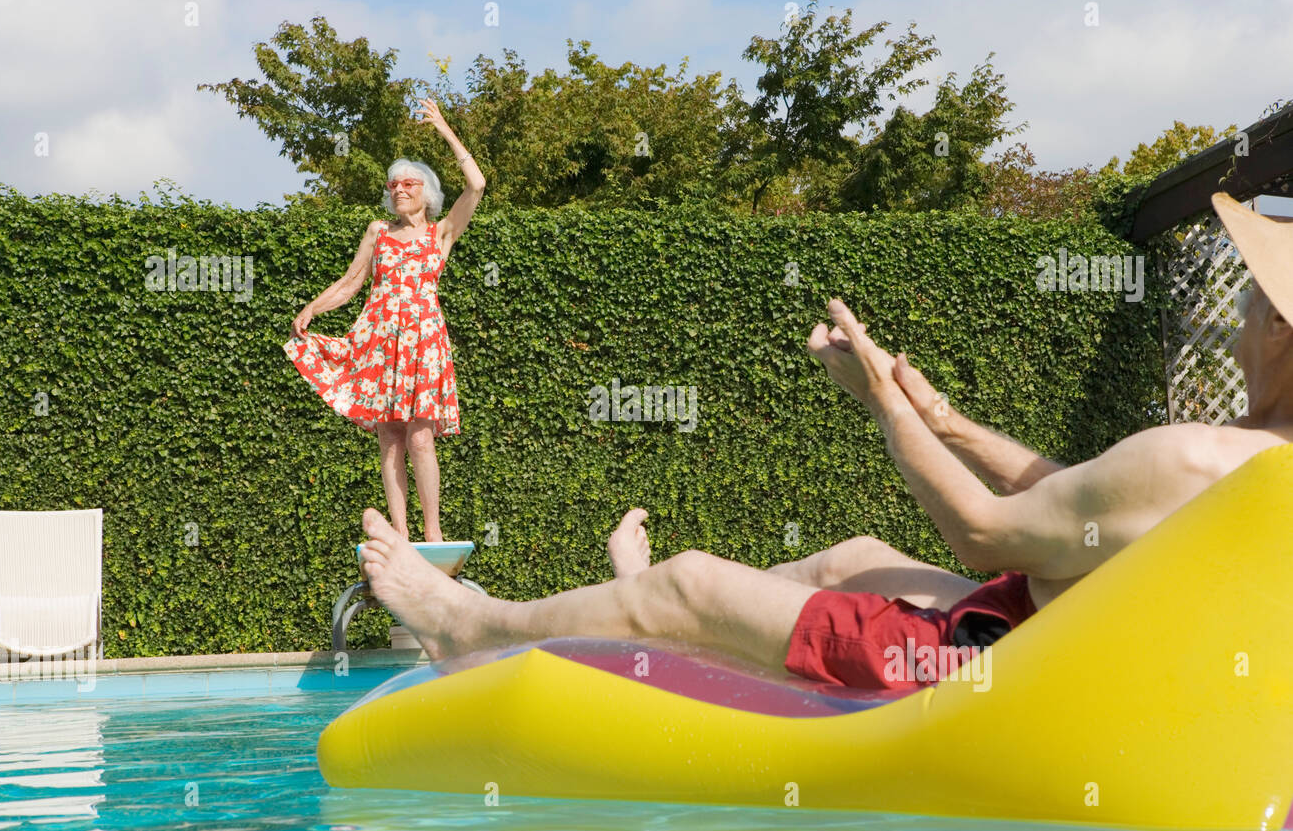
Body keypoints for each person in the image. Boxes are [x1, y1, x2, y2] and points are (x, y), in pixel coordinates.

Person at [357, 192, 1293, 689]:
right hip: (1048, 624)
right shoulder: (1256, 464)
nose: (1240, 318)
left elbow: (985, 532)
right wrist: (948, 422)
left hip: (999, 667)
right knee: (854, 556)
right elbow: (1090, 510)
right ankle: (622, 599)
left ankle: (468, 626)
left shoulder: (1199, 456)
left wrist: (878, 398)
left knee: (692, 583)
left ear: (1282, 334)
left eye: (1250, 300)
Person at [285, 99, 485, 542]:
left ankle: (432, 535)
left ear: (426, 191)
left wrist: (444, 129)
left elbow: (477, 184)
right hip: (379, 343)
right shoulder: (379, 232)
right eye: (393, 184)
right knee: (390, 437)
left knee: (420, 439)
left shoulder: (441, 232)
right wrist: (313, 308)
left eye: (407, 183)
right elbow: (351, 282)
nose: (398, 189)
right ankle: (399, 531)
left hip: (423, 343)